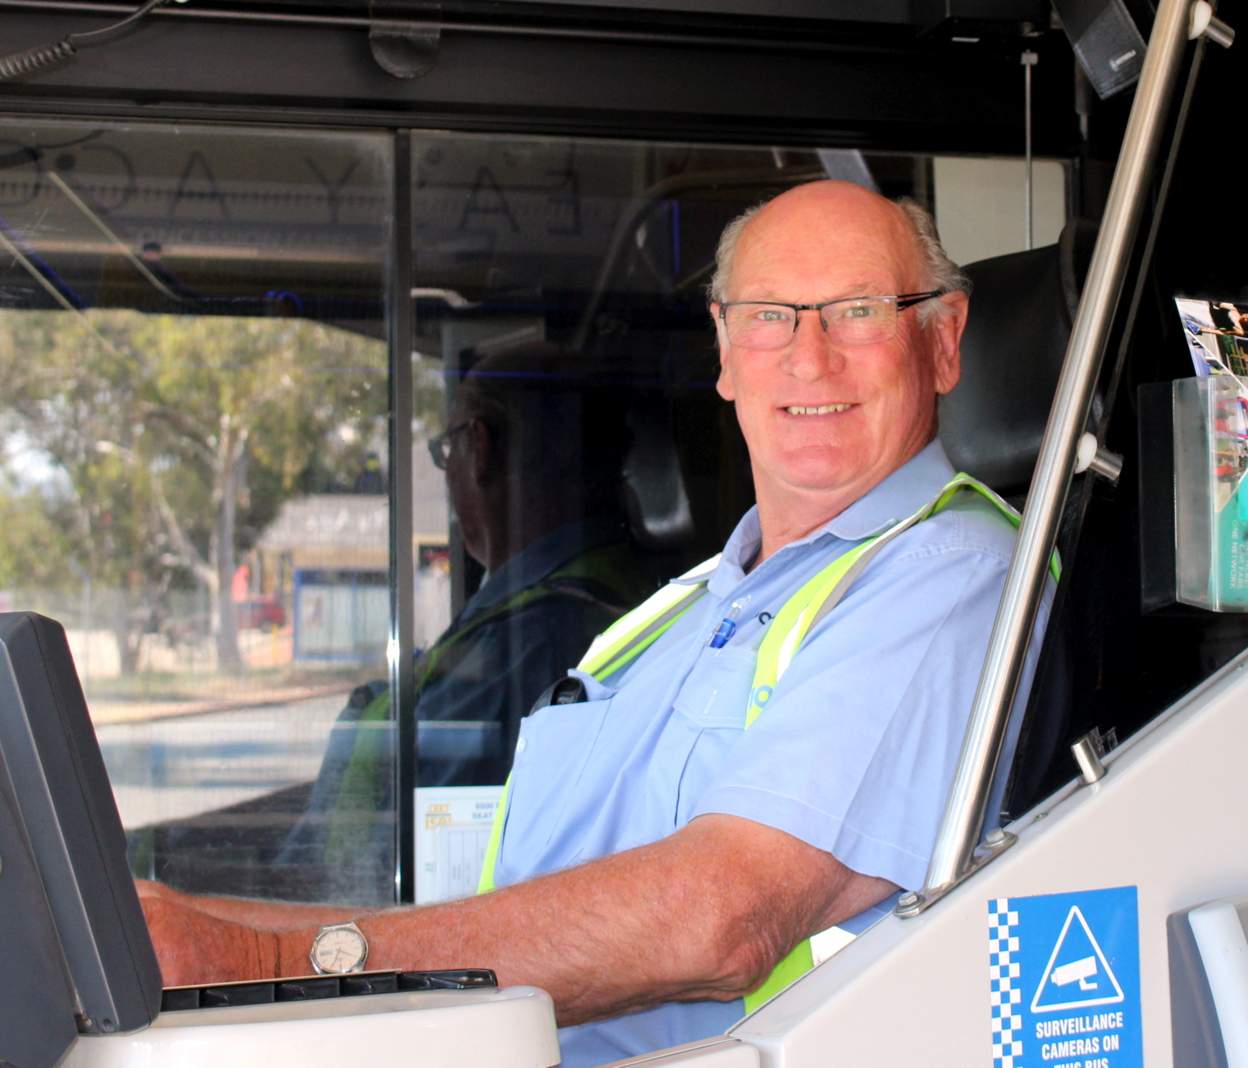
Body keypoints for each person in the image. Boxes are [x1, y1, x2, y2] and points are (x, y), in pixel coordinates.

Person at [138, 179, 1051, 1066]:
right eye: (772, 315)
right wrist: (188, 930)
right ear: (726, 352)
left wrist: (264, 965)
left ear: (941, 340)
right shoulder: (688, 608)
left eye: (858, 310)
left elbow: (725, 918)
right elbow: (515, 913)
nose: (810, 357)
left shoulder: (949, 576)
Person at [274, 353, 651, 902]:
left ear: (479, 449)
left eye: (446, 448)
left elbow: (389, 877)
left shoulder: (532, 640)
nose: (445, 468)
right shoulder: (623, 593)